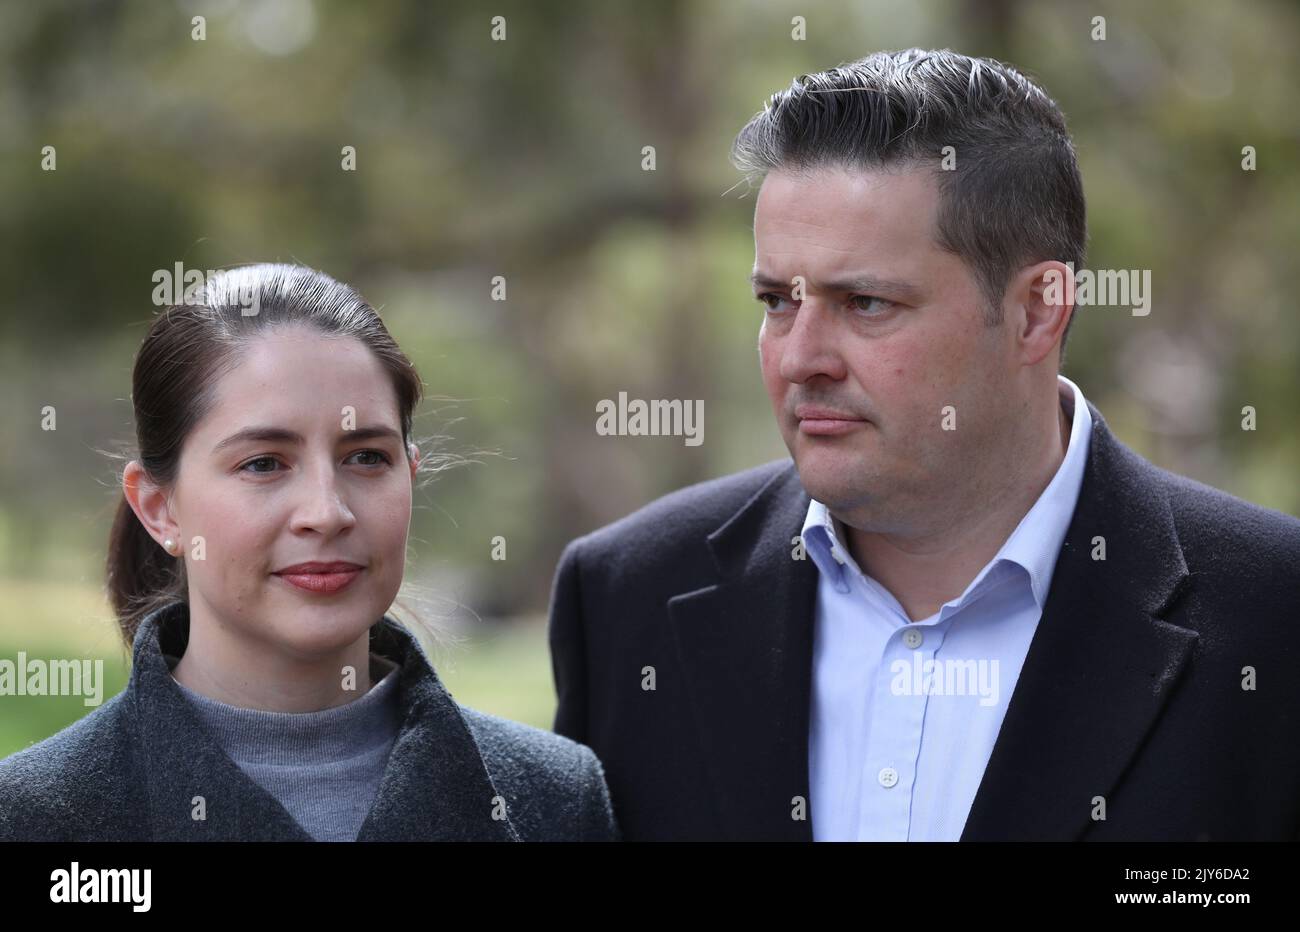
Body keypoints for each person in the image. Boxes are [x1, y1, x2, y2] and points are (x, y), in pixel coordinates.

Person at [547, 49, 1300, 841]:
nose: (801, 357)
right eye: (776, 301)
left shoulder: (1273, 620)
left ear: (1038, 312)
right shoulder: (626, 599)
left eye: (865, 302)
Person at [0, 263, 618, 842]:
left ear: (411, 475)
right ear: (160, 508)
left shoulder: (553, 800)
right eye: (263, 463)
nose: (327, 511)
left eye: (366, 457)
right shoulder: (40, 817)